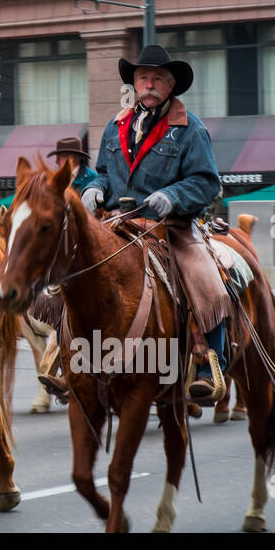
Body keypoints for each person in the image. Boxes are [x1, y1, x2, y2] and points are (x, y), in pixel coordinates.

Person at [81, 44, 231, 404]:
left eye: (157, 78)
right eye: (142, 77)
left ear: (170, 85)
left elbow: (207, 182)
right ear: (134, 82)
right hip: (117, 224)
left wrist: (173, 196)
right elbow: (103, 173)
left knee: (205, 280)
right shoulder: (115, 125)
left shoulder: (191, 129)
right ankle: (65, 355)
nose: (148, 84)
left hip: (172, 227)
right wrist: (93, 188)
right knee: (73, 275)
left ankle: (209, 364)